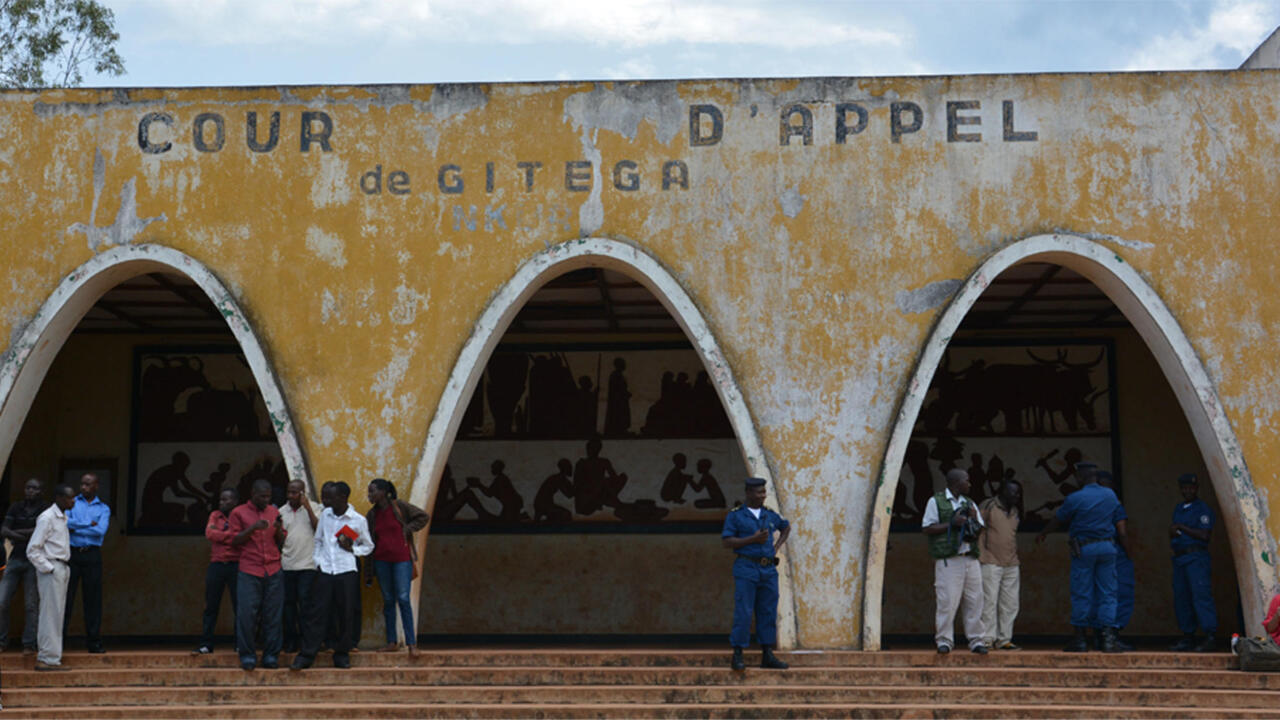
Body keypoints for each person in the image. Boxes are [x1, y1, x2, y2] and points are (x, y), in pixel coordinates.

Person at [1035, 461, 1129, 653]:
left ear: (1080, 477)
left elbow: (1058, 519)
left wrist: (1043, 532)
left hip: (1085, 549)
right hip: (1108, 547)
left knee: (1082, 592)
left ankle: (1080, 639)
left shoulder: (1075, 498)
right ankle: (1108, 639)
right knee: (1108, 593)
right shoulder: (1110, 495)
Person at [291, 481, 373, 670]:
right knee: (316, 613)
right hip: (326, 571)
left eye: (330, 497)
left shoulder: (357, 520)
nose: (325, 500)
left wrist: (353, 549)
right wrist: (318, 561)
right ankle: (307, 654)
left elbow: (368, 546)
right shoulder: (326, 516)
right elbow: (318, 540)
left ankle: (342, 654)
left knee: (345, 614)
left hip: (346, 572)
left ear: (343, 498)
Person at [721, 476, 791, 671]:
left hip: (768, 568)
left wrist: (775, 547)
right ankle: (738, 653)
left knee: (768, 610)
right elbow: (727, 541)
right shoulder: (736, 515)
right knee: (744, 610)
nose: (763, 495)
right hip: (746, 567)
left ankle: (767, 653)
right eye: (759, 492)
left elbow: (786, 527)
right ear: (748, 493)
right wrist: (752, 539)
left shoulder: (769, 515)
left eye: (764, 492)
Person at [922, 468, 988, 654]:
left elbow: (980, 529)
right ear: (957, 482)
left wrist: (974, 521)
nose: (969, 484)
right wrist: (952, 523)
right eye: (967, 480)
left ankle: (976, 640)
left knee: (975, 600)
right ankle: (944, 640)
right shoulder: (936, 501)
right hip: (948, 560)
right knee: (947, 601)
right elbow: (927, 527)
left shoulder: (969, 503)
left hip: (970, 557)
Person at [364, 478, 429, 656]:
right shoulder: (372, 515)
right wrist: (369, 572)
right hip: (381, 560)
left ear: (383, 492)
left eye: (372, 491)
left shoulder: (399, 506)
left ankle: (411, 643)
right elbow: (369, 540)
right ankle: (391, 641)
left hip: (402, 559)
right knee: (388, 599)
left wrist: (408, 528)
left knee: (403, 598)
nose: (370, 495)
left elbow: (423, 516)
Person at [229, 478, 286, 671]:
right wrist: (253, 528)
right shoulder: (238, 513)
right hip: (249, 569)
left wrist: (278, 530)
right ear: (252, 494)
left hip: (273, 569)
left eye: (268, 496)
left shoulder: (274, 512)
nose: (266, 499)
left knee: (273, 616)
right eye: (262, 496)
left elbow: (281, 541)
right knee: (247, 615)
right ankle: (247, 656)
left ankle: (271, 656)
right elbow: (234, 540)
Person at [27, 485, 76, 671]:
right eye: (70, 498)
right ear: (59, 498)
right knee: (50, 614)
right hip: (52, 567)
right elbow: (32, 549)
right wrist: (48, 568)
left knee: (56, 614)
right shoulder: (47, 518)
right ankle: (47, 658)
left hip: (62, 567)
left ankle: (52, 657)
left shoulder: (62, 518)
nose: (73, 501)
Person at [1168, 473, 1218, 652]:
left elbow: (1205, 535)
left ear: (1197, 488)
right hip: (1180, 557)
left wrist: (1182, 528)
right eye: (1185, 488)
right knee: (1182, 598)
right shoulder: (1179, 508)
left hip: (1196, 557)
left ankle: (1210, 635)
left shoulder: (1202, 509)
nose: (1188, 490)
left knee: (1201, 596)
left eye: (1191, 487)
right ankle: (1188, 636)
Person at [0, 478, 49, 654]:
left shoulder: (45, 510)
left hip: (34, 561)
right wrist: (27, 535)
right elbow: (4, 530)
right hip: (14, 558)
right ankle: (2, 641)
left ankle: (29, 643)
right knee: (2, 601)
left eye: (34, 488)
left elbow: (41, 533)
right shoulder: (16, 507)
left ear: (41, 491)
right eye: (28, 487)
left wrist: (16, 534)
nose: (30, 491)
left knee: (31, 605)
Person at [64, 472, 109, 654]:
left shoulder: (103, 508)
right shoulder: (72, 502)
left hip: (92, 555)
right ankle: (58, 641)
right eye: (82, 484)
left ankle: (94, 642)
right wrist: (88, 524)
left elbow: (101, 531)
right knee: (65, 598)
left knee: (93, 600)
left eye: (88, 484)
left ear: (96, 486)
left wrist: (79, 526)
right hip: (72, 554)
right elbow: (66, 523)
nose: (83, 487)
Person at [194, 488, 241, 655]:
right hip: (217, 564)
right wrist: (231, 537)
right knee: (211, 606)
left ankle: (239, 643)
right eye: (221, 499)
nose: (222, 502)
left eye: (226, 500)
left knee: (239, 606)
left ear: (235, 501)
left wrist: (224, 535)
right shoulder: (215, 515)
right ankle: (206, 643)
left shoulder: (240, 516)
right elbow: (210, 533)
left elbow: (241, 538)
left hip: (236, 564)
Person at [1092, 470, 1135, 651]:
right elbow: (1122, 532)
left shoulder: (1090, 504)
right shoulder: (1114, 504)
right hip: (1114, 552)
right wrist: (1130, 553)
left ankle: (1098, 636)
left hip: (1092, 552)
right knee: (1119, 593)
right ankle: (1113, 634)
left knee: (1098, 593)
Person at [978, 478, 1021, 651]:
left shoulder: (1015, 511)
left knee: (1010, 603)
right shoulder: (988, 506)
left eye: (1018, 493)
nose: (1017, 496)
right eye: (1013, 492)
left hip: (1011, 562)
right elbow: (977, 530)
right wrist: (981, 555)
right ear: (1002, 491)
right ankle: (987, 639)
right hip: (990, 561)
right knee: (989, 601)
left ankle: (1004, 639)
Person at [279, 479, 318, 654]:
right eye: (289, 492)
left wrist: (308, 508)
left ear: (303, 493)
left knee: (307, 606)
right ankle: (291, 641)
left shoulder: (316, 508)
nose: (291, 496)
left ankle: (307, 641)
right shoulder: (281, 512)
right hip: (287, 565)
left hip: (308, 565)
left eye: (295, 492)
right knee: (288, 607)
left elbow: (319, 529)